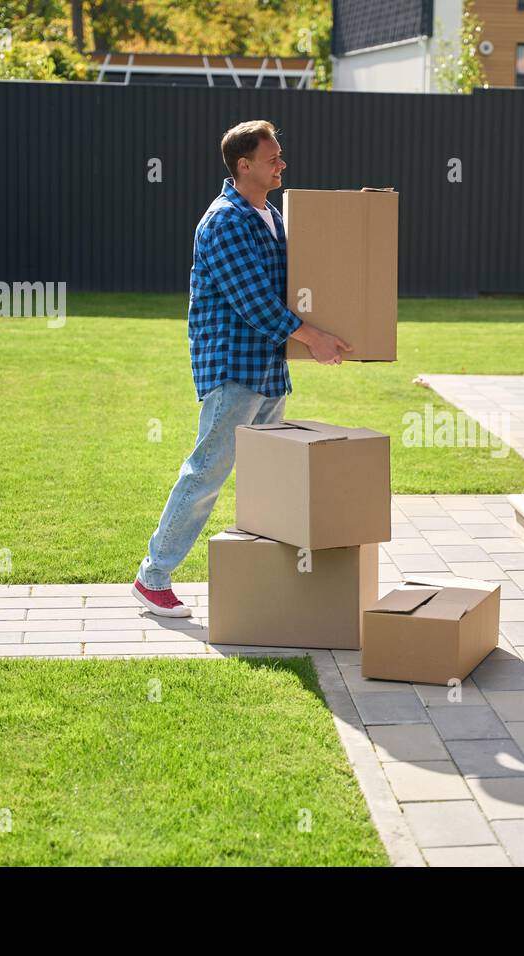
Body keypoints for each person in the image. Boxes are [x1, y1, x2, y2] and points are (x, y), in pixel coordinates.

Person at [133, 120, 351, 617]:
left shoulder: (268, 214)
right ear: (243, 164)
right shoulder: (226, 221)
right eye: (273, 158)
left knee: (267, 480)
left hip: (268, 368)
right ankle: (154, 575)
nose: (282, 164)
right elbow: (253, 301)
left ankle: (262, 582)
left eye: (280, 155)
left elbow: (296, 283)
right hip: (234, 368)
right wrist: (314, 338)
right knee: (207, 472)